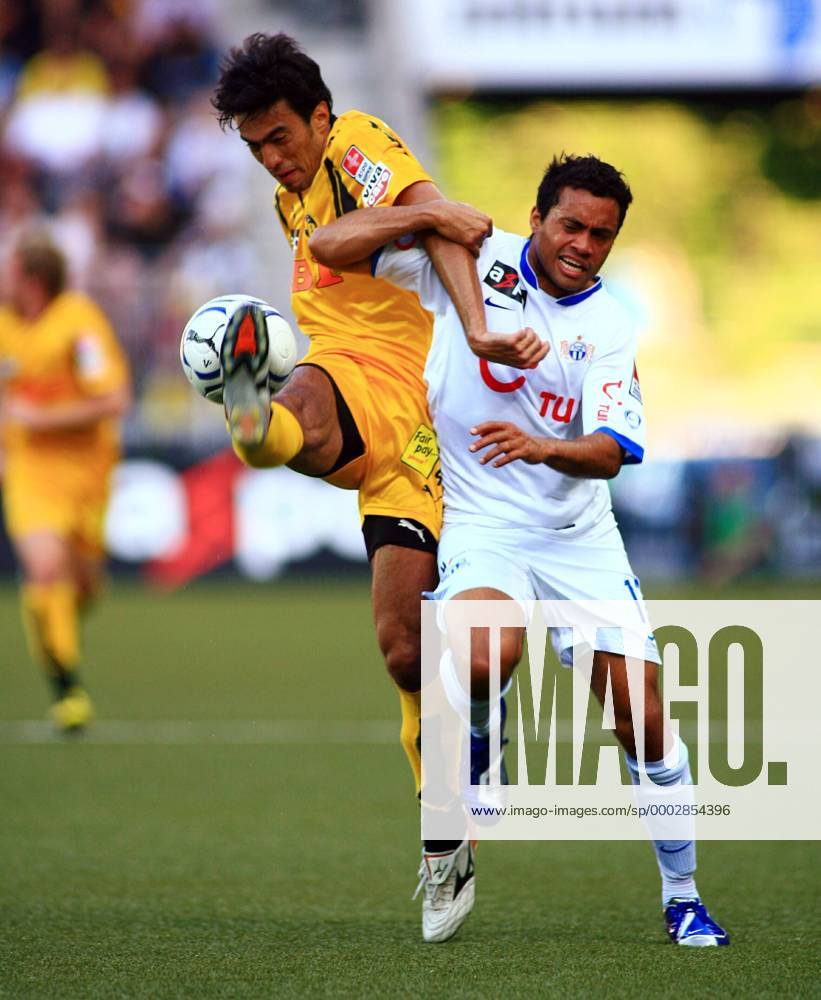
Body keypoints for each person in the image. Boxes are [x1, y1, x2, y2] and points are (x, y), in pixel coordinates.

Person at [310, 154, 730, 947]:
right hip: (480, 524)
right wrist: (423, 215)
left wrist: (541, 447)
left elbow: (611, 451)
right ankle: (477, 742)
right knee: (477, 653)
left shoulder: (609, 324)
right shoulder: (470, 258)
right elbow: (328, 246)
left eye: (601, 235)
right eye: (570, 225)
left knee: (644, 723)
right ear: (534, 218)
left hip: (578, 539)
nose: (583, 245)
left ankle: (683, 896)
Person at [208, 30, 548, 903]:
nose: (272, 159)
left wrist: (474, 325)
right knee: (402, 652)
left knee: (410, 649)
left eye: (281, 136)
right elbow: (416, 221)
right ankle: (448, 840)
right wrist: (419, 217)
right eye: (255, 148)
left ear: (319, 115)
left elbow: (443, 222)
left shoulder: (356, 142)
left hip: (408, 397)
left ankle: (256, 421)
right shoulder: (298, 204)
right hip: (368, 401)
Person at [0, 234, 131, 732]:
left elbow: (114, 400)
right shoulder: (5, 325)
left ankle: (56, 623)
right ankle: (67, 691)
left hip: (87, 472)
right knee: (44, 566)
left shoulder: (79, 324)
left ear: (32, 281)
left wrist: (43, 419)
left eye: (10, 273)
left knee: (85, 586)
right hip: (31, 473)